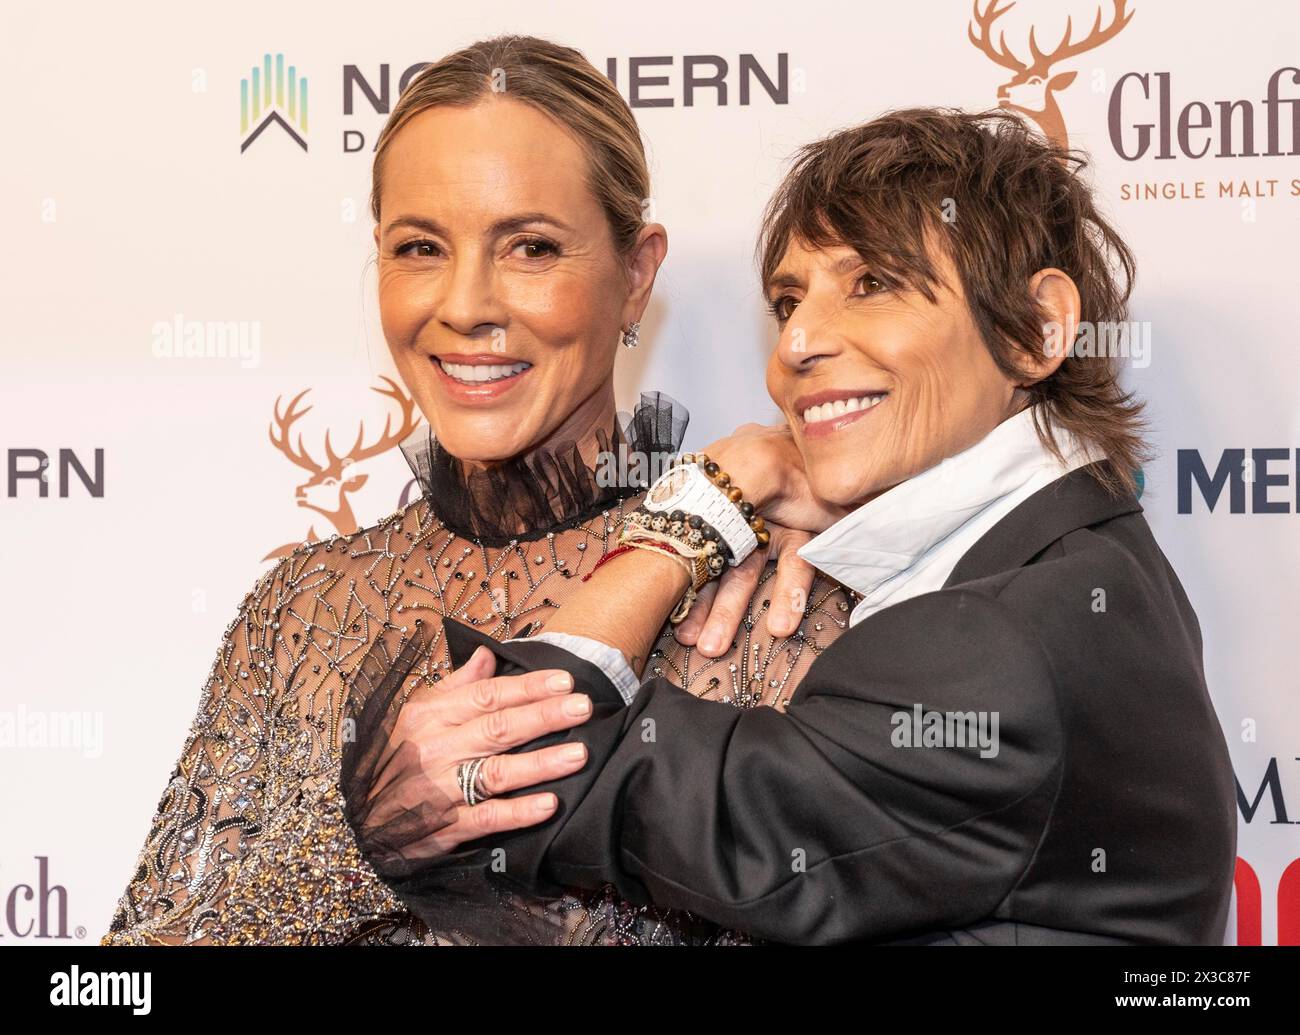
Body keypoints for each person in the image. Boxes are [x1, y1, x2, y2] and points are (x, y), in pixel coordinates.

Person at [343, 107, 1239, 945]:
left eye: (874, 283)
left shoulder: (998, 642)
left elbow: (504, 763)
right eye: (788, 301)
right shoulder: (1087, 564)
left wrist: (700, 505)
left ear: (1039, 329)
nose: (797, 344)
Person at [101, 35, 852, 946]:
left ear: (637, 275)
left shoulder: (772, 591)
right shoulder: (297, 609)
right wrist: (354, 844)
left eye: (530, 246)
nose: (465, 305)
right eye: (419, 247)